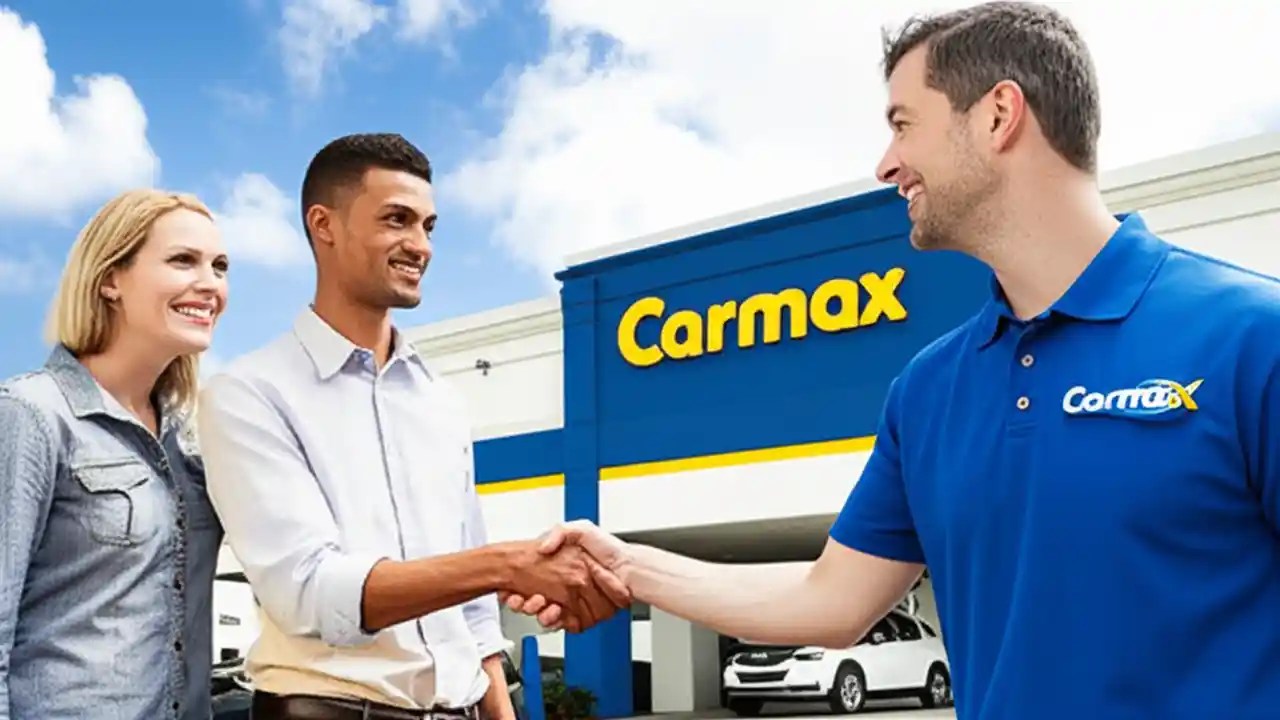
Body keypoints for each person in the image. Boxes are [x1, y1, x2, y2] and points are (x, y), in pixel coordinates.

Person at [503, 3, 1280, 718]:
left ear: (999, 116)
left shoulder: (1252, 338)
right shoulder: (930, 389)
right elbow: (830, 600)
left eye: (904, 124)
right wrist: (625, 566)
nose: (885, 164)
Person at [195, 133, 628, 720]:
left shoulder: (440, 401)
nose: (419, 245)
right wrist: (505, 564)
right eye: (397, 220)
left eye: (429, 226)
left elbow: (474, 614)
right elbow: (307, 593)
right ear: (324, 225)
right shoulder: (249, 393)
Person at [0, 189, 229, 719]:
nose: (210, 284)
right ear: (110, 279)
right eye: (182, 261)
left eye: (219, 266)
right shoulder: (30, 415)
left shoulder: (192, 440)